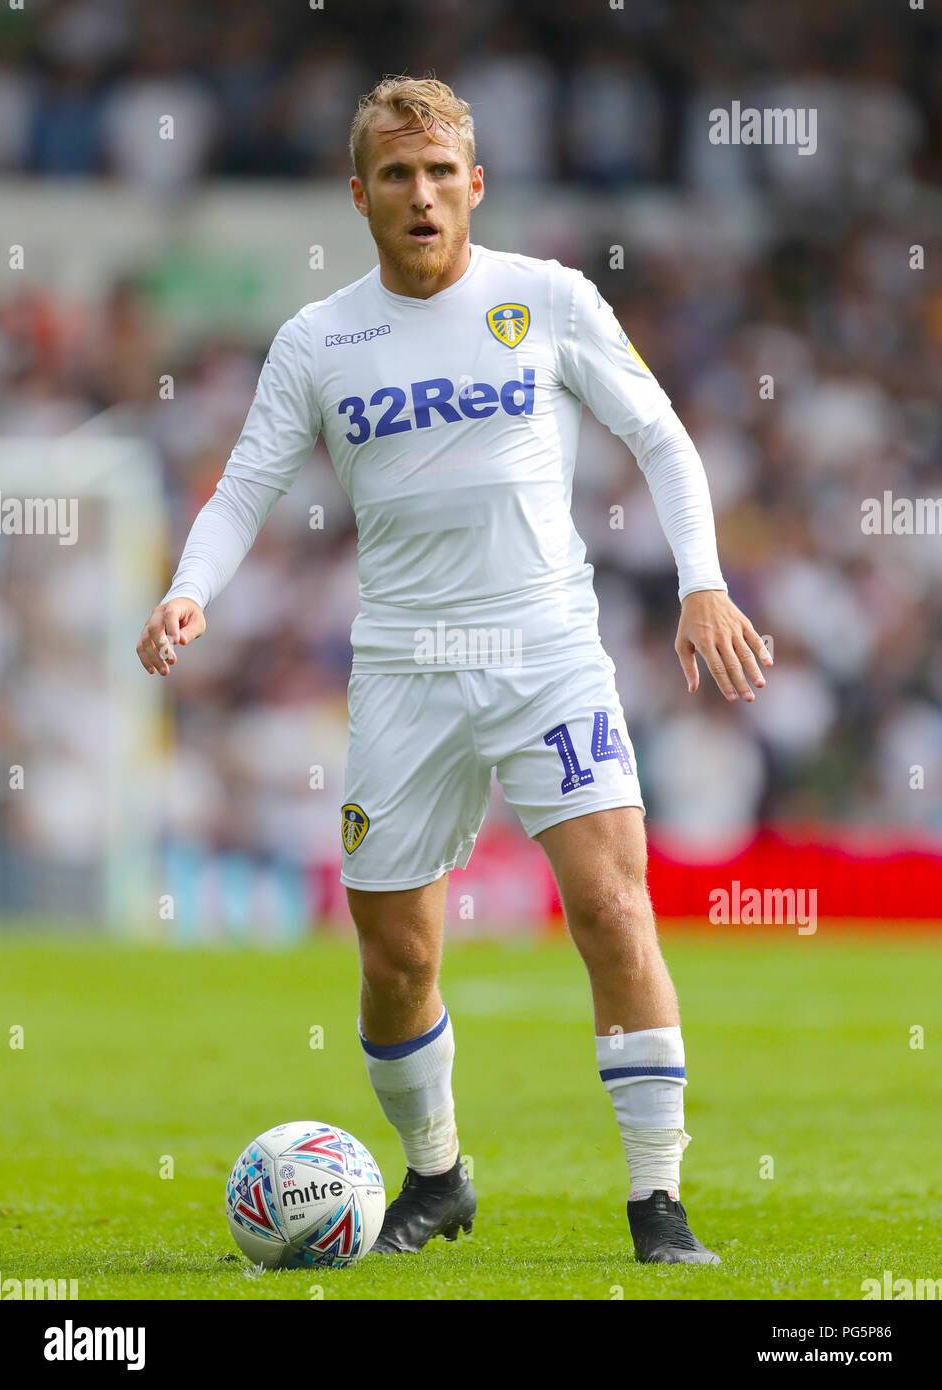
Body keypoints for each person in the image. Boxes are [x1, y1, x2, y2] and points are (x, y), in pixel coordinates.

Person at [136, 75, 772, 1266]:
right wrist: (188, 589)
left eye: (442, 173)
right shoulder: (320, 340)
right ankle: (437, 1178)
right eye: (396, 175)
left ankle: (657, 1205)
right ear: (361, 194)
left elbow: (661, 435)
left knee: (611, 905)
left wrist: (703, 578)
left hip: (546, 653)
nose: (422, 195)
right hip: (404, 669)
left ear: (475, 184)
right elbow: (245, 488)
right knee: (397, 956)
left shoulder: (549, 298)